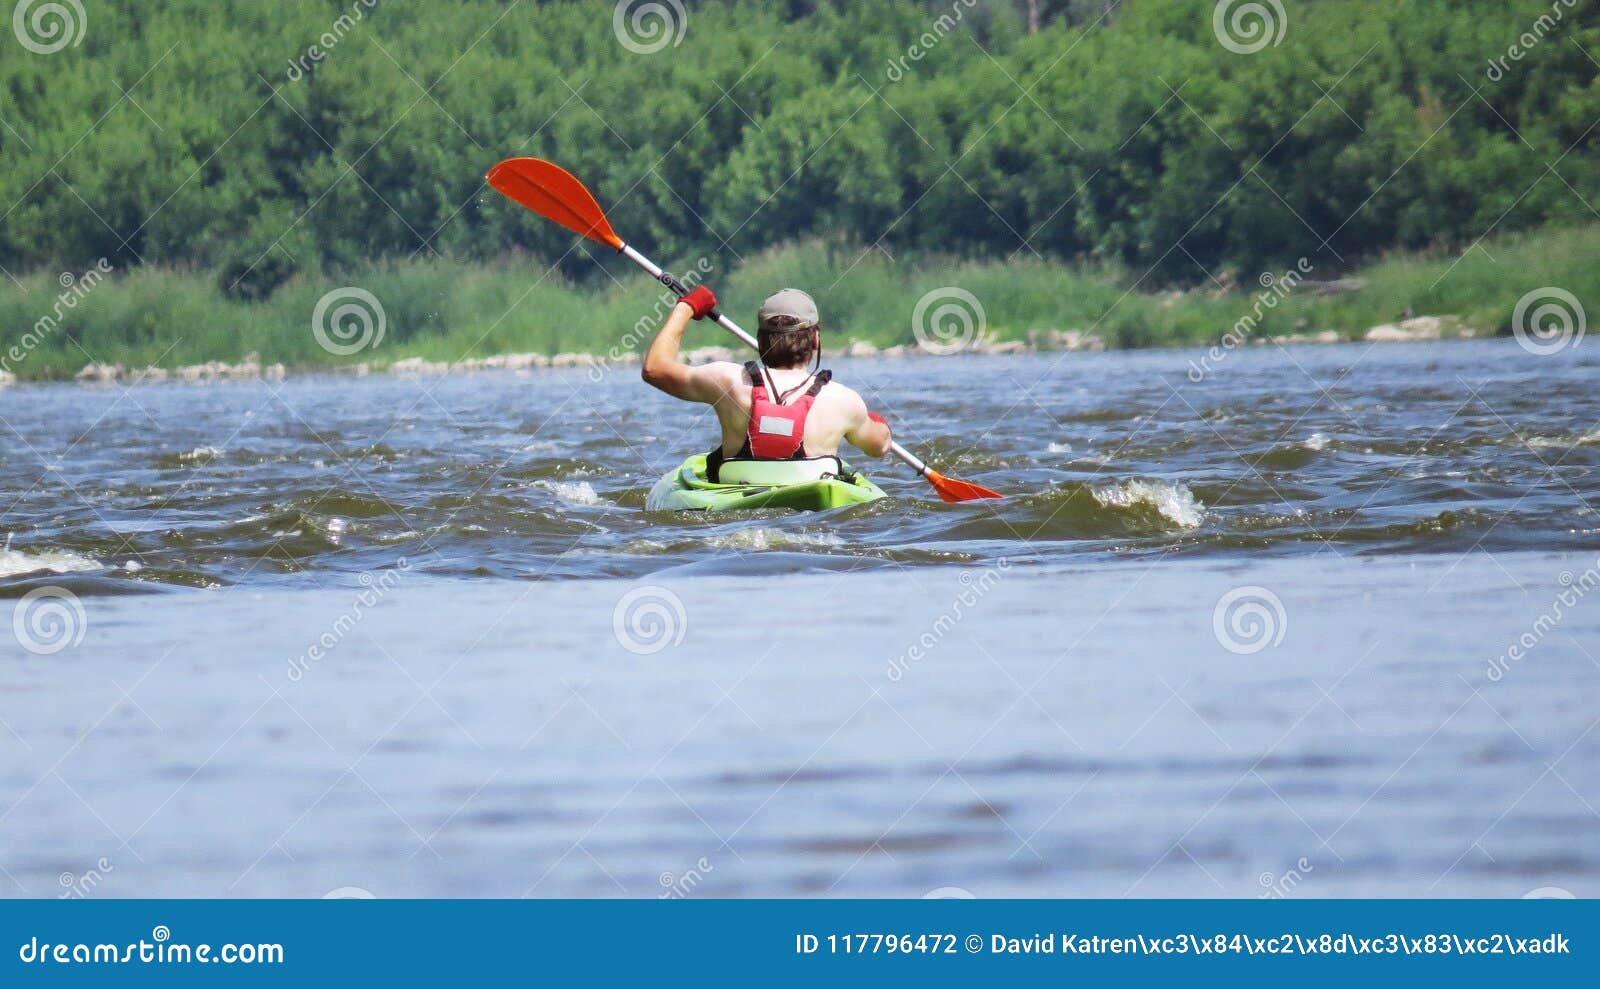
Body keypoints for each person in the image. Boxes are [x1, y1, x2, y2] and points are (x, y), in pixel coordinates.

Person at [641, 286, 891, 482]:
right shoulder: (843, 400)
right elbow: (879, 446)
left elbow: (655, 369)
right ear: (815, 340)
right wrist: (876, 421)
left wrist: (686, 307)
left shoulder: (727, 381)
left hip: (737, 494)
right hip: (811, 510)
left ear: (760, 341)